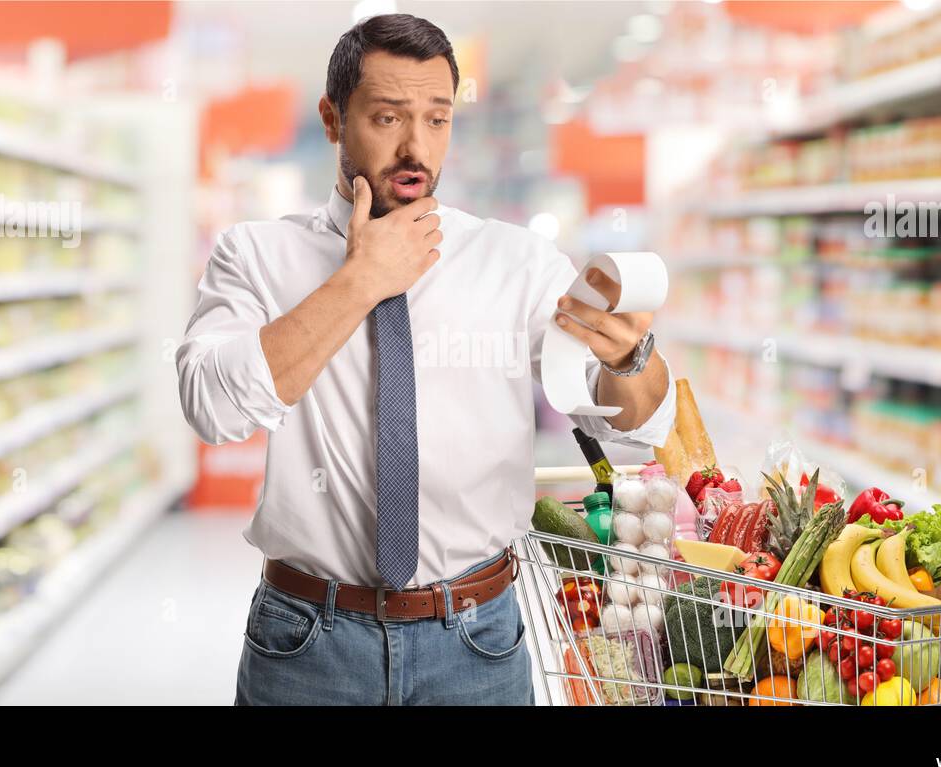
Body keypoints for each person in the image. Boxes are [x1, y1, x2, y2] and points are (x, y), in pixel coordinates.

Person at [176, 13, 674, 706]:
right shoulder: (256, 255)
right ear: (332, 118)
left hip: (475, 640)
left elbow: (635, 427)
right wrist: (360, 281)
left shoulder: (516, 263)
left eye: (437, 119)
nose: (416, 147)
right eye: (387, 118)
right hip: (307, 642)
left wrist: (631, 358)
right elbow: (212, 407)